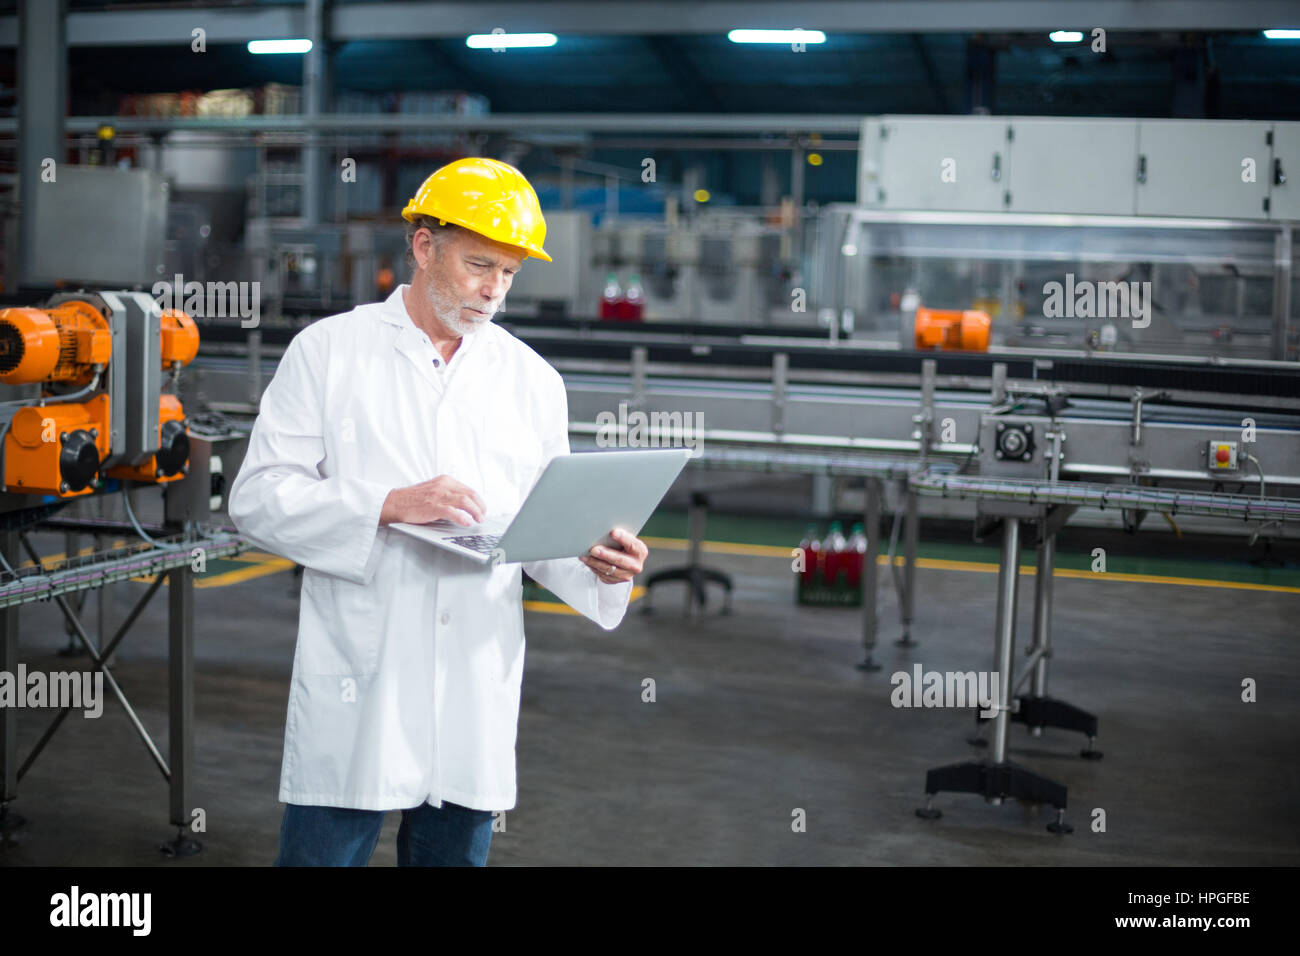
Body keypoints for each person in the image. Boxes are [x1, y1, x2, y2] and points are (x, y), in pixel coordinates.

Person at [228, 157, 650, 866]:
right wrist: (386, 504)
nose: (494, 291)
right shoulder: (330, 352)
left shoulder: (532, 382)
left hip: (473, 680)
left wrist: (601, 563)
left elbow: (540, 530)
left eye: (510, 274)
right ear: (424, 247)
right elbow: (258, 498)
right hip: (360, 673)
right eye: (479, 264)